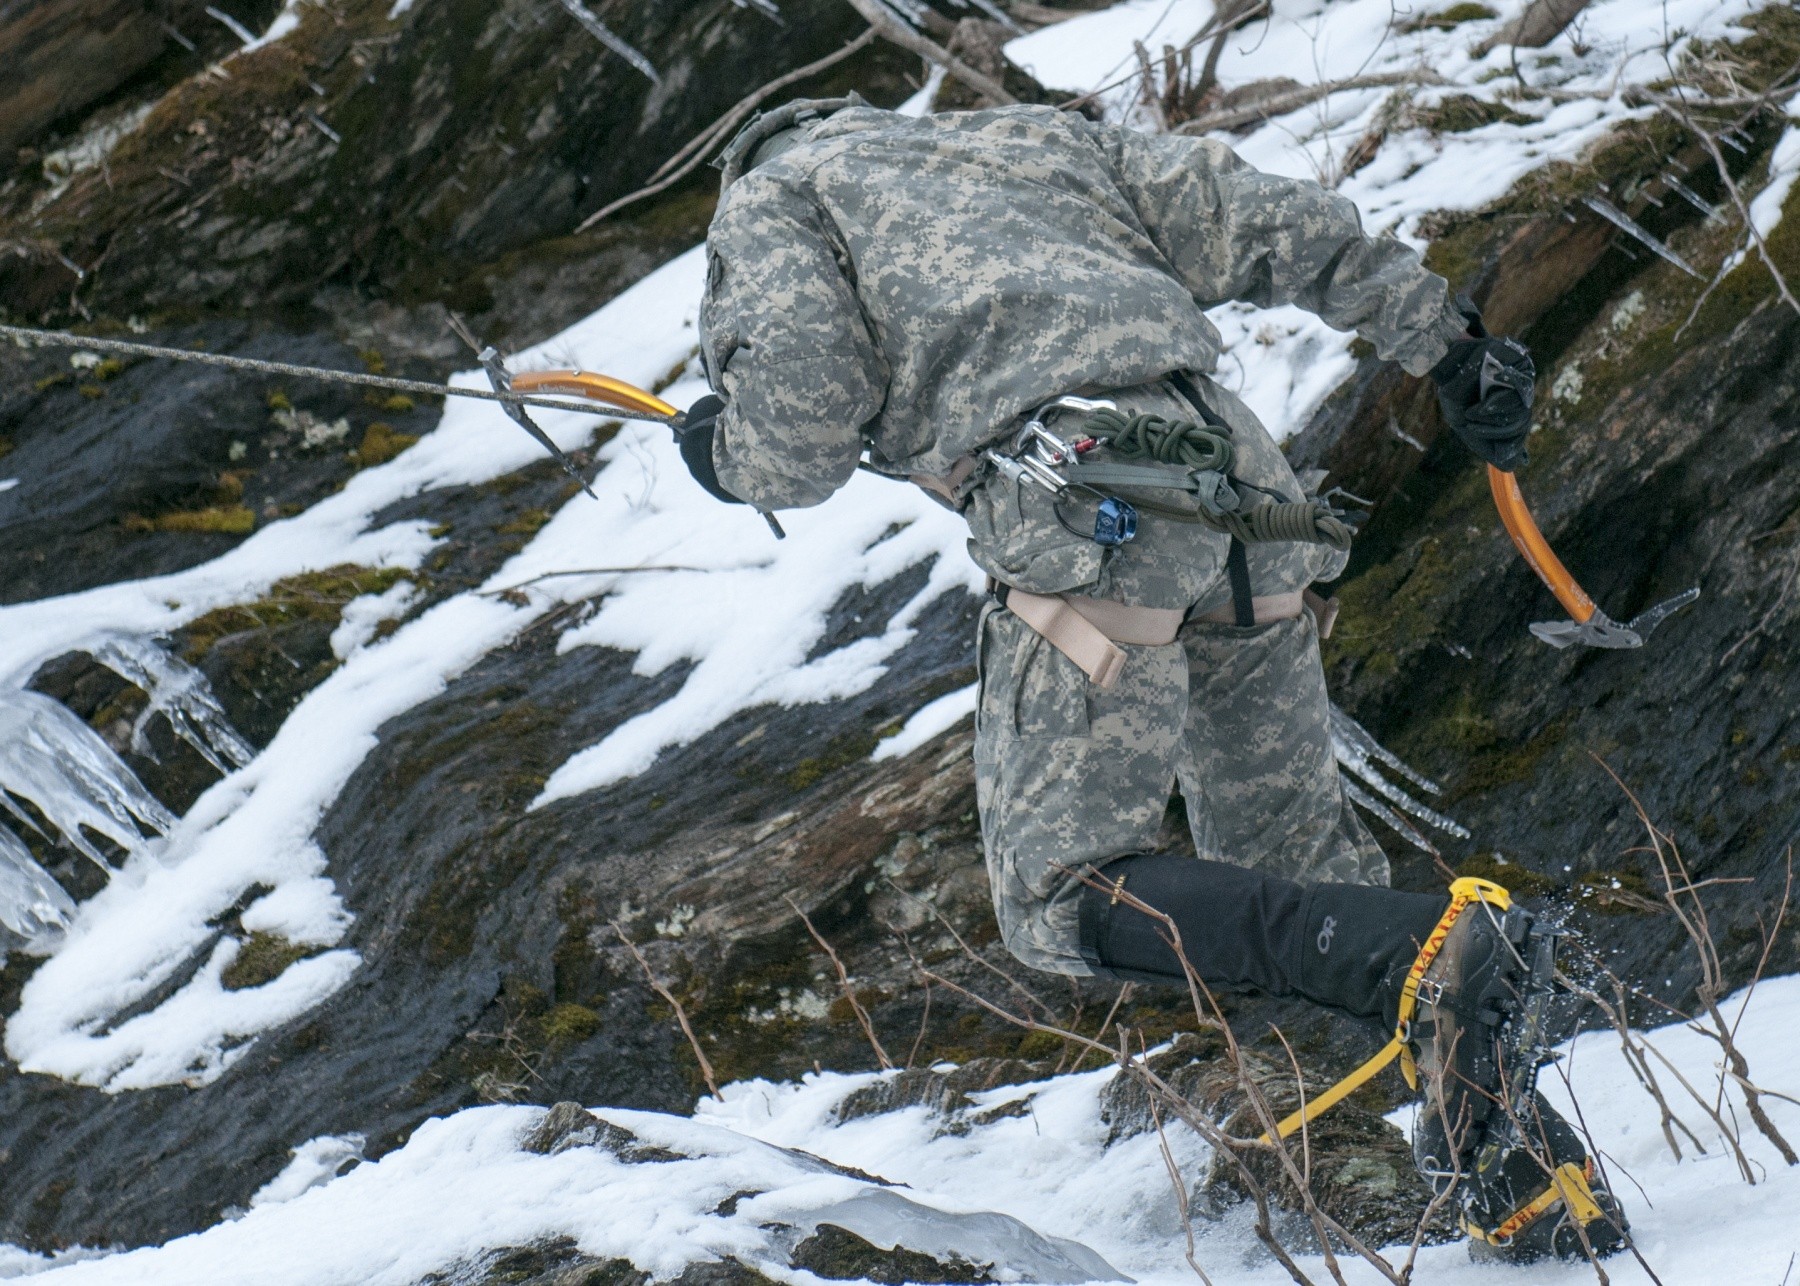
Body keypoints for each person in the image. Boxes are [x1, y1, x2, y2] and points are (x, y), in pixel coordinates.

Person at [673, 95, 1624, 1262]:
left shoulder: (773, 198)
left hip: (1096, 522)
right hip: (1244, 493)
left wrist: (725, 453)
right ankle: (1528, 1175)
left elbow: (807, 414)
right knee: (1298, 875)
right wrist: (1454, 346)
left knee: (1059, 890)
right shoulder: (1025, 136)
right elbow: (1259, 216)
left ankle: (1429, 949)